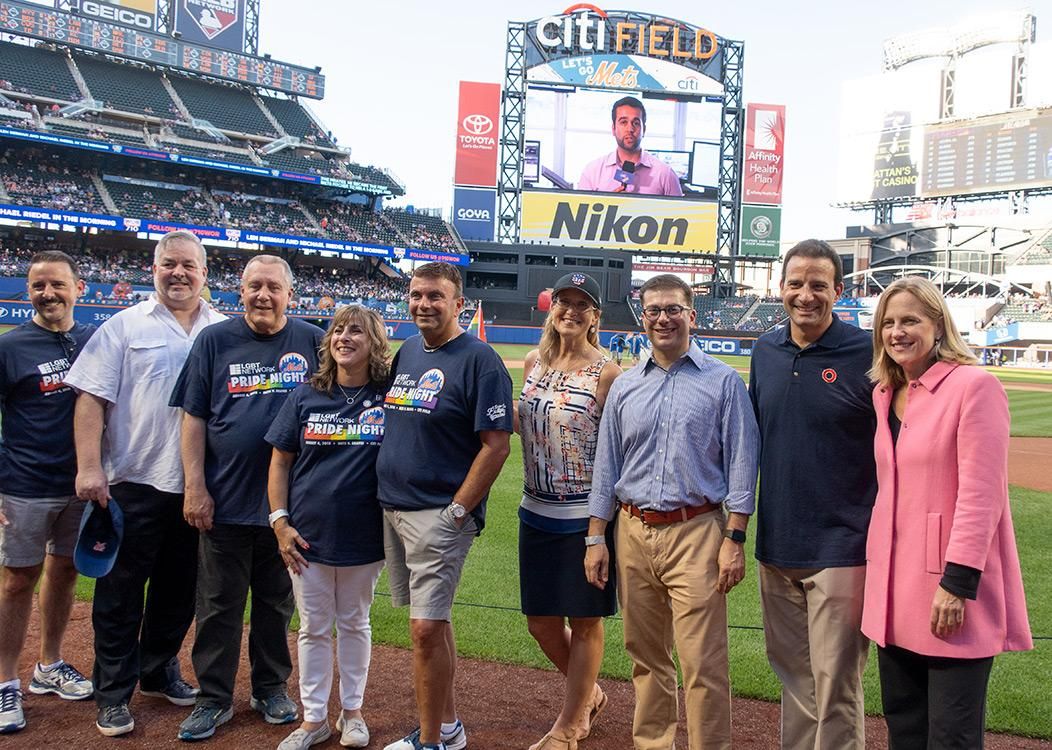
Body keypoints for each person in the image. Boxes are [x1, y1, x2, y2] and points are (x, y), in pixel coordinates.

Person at [584, 274, 759, 750]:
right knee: (645, 655)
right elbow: (607, 464)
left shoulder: (723, 382)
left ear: (691, 316)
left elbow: (743, 464)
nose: (663, 318)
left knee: (702, 661)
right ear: (643, 318)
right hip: (632, 529)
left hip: (697, 529)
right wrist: (596, 537)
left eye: (673, 309)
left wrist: (735, 538)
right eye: (654, 310)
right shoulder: (625, 386)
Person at [67, 231, 225, 737]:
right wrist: (90, 467)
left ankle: (157, 669)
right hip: (133, 481)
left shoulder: (222, 330)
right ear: (153, 269)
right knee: (119, 592)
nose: (178, 273)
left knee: (180, 592)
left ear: (204, 272)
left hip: (197, 486)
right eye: (169, 264)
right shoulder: (123, 325)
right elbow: (90, 398)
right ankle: (113, 692)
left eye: (189, 265)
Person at [864, 277, 1032, 748]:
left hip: (947, 589)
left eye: (911, 320)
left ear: (938, 326)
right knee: (906, 728)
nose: (898, 331)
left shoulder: (974, 386)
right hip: (893, 590)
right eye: (889, 323)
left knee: (952, 736)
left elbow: (982, 496)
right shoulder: (885, 394)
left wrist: (957, 583)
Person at [170, 255, 322, 742]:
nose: (263, 295)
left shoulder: (312, 340)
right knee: (218, 605)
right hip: (225, 501)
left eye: (273, 288)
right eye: (254, 286)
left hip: (288, 509)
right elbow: (193, 417)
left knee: (277, 605)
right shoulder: (215, 341)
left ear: (289, 296)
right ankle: (213, 698)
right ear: (239, 291)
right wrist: (195, 487)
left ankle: (270, 687)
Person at [379, 262, 513, 750]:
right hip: (394, 509)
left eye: (435, 296)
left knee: (423, 630)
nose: (423, 304)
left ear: (460, 304)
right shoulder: (409, 350)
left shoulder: (481, 360)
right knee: (432, 624)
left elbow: (496, 444)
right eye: (416, 295)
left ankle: (432, 742)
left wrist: (457, 510)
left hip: (438, 513)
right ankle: (451, 729)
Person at [748, 240, 877, 750]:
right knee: (795, 681)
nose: (806, 295)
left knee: (836, 686)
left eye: (818, 285)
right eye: (796, 284)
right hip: (777, 541)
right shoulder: (765, 350)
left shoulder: (868, 350)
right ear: (781, 289)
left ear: (837, 291)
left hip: (844, 545)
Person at [265, 305, 390, 750]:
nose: (343, 337)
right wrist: (279, 522)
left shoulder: (388, 395)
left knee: (355, 623)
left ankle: (351, 713)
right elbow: (280, 461)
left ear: (374, 342)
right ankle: (314, 718)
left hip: (365, 535)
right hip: (306, 536)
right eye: (338, 330)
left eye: (355, 331)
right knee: (313, 627)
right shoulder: (305, 395)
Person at [516, 273, 621, 750]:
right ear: (551, 308)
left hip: (583, 515)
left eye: (583, 304)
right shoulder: (533, 362)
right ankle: (590, 694)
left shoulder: (607, 372)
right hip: (534, 508)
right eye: (564, 302)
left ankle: (570, 724)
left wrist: (599, 531)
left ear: (595, 316)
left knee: (584, 621)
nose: (572, 311)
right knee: (540, 622)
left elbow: (613, 453)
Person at [0, 251, 95, 735]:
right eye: (38, 286)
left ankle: (49, 665)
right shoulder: (11, 347)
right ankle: (3, 683)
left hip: (81, 484)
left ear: (79, 288)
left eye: (57, 285)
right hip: (25, 484)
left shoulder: (93, 340)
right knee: (18, 580)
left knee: (64, 573)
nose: (48, 294)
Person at [576, 96, 683, 197]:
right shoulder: (592, 171)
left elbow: (681, 214)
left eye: (636, 123)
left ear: (644, 130)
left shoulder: (665, 173)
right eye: (623, 122)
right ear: (613, 129)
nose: (630, 129)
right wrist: (607, 205)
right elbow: (580, 215)